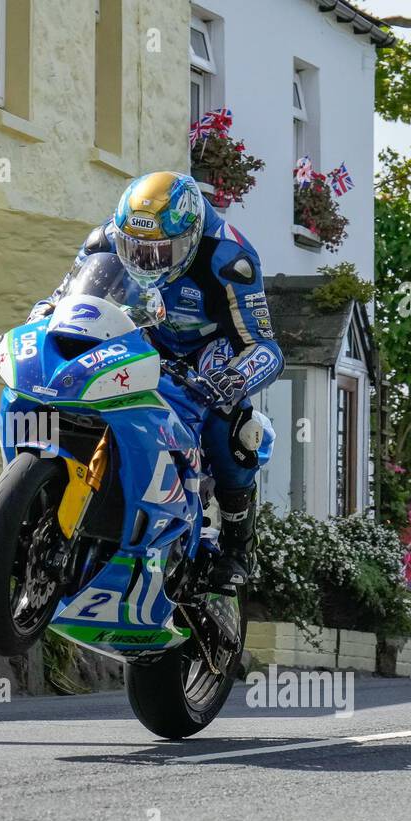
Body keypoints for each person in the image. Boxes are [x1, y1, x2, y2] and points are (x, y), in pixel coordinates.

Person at [33, 171, 282, 586]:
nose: (147, 262)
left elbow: (265, 346)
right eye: (137, 249)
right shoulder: (105, 239)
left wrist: (232, 380)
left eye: (162, 251)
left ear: (191, 235)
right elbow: (62, 300)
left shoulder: (231, 258)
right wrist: (38, 321)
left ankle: (239, 547)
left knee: (232, 429)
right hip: (138, 337)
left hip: (208, 352)